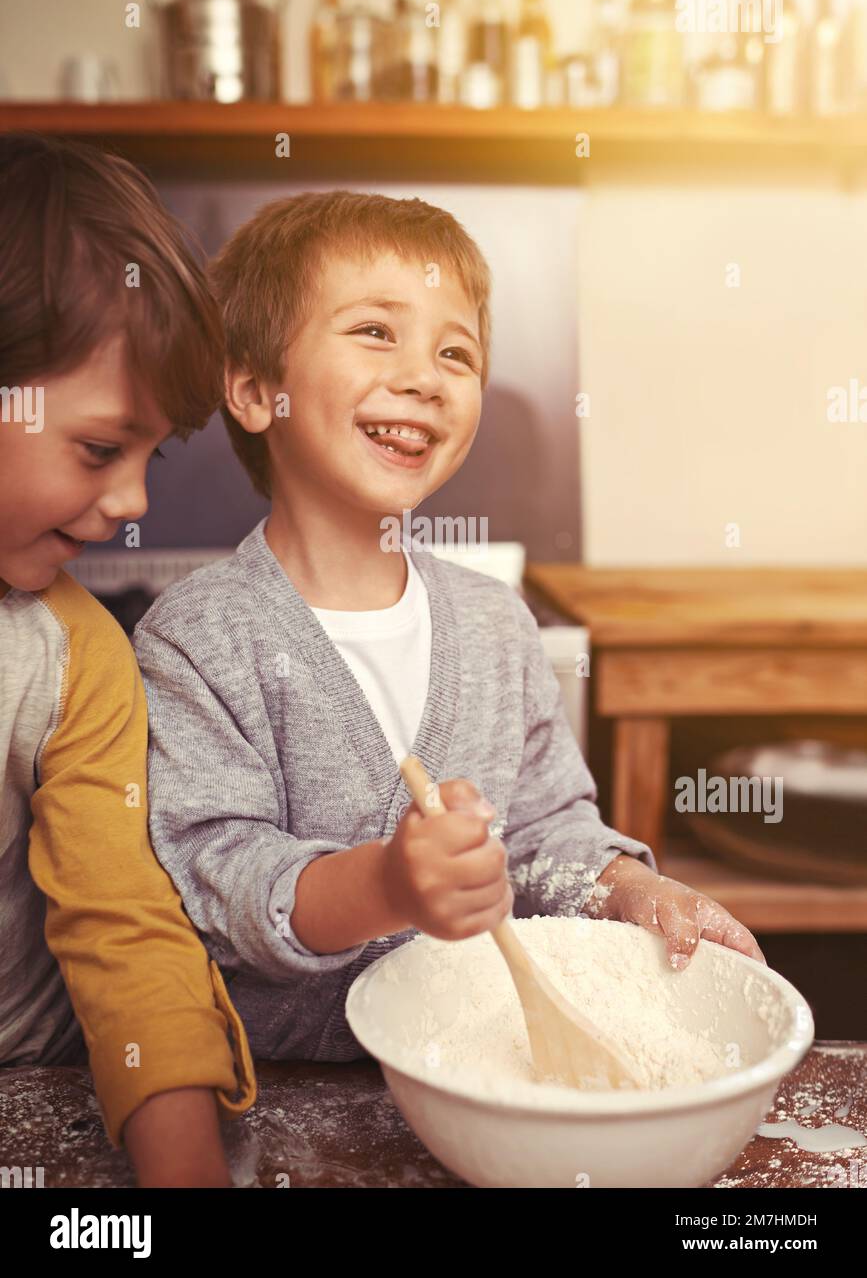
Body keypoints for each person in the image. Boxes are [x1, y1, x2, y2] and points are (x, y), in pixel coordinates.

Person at [133, 190, 764, 1069]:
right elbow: (220, 878)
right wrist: (387, 884)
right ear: (252, 388)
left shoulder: (495, 626)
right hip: (292, 1098)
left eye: (456, 352)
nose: (425, 376)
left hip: (485, 1070)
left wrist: (624, 886)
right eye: (374, 333)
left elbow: (547, 838)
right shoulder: (196, 640)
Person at [0, 134, 256, 1186]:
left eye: (153, 455)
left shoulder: (78, 661)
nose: (134, 502)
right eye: (103, 449)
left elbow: (127, 934)